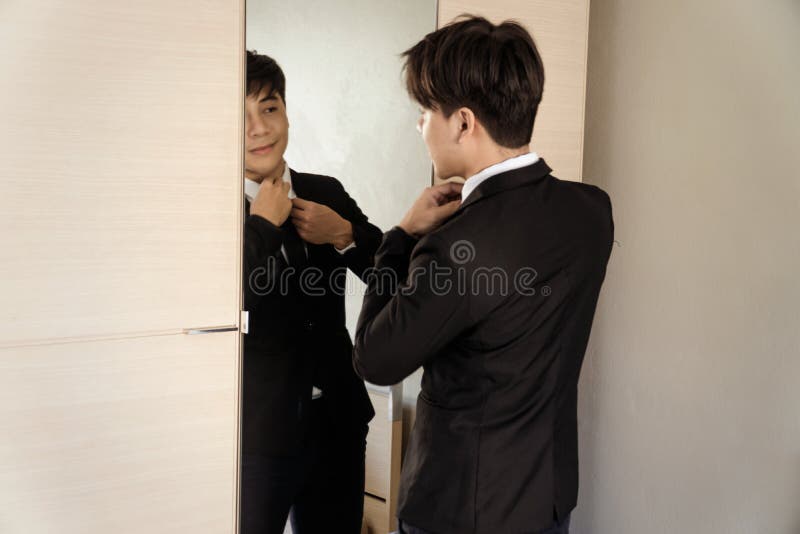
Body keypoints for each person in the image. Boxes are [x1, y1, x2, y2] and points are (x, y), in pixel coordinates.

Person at [353, 16, 614, 534]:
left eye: (426, 111)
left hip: (461, 510)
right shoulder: (592, 212)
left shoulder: (453, 248)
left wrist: (401, 236)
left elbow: (374, 358)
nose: (421, 124)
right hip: (548, 498)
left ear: (464, 123)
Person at [241, 50, 380, 534]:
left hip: (338, 424)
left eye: (269, 107)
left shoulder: (326, 191)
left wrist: (344, 233)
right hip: (255, 438)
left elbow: (392, 279)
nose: (258, 128)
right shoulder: (206, 210)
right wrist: (260, 223)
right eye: (239, 115)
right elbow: (225, 303)